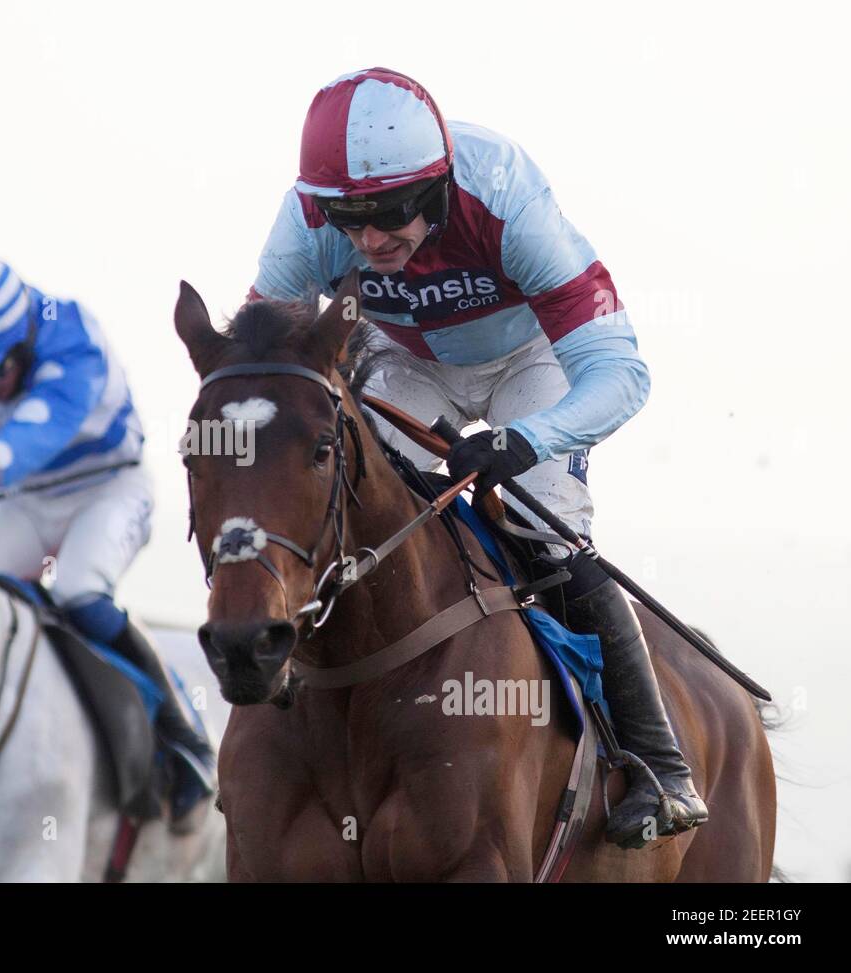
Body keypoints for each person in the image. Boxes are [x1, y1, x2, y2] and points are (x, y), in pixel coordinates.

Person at [248, 67, 706, 848]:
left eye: (389, 214)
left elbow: (622, 373)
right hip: (402, 359)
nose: (367, 240)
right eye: (346, 219)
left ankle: (663, 766)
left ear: (436, 186)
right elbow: (266, 369)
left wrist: (523, 441)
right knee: (344, 496)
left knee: (546, 525)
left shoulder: (505, 199)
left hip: (534, 358)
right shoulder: (305, 219)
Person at [0, 254, 215, 829]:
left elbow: (34, 433)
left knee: (79, 591)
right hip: (24, 499)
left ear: (24, 340)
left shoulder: (72, 333)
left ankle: (185, 736)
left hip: (110, 487)